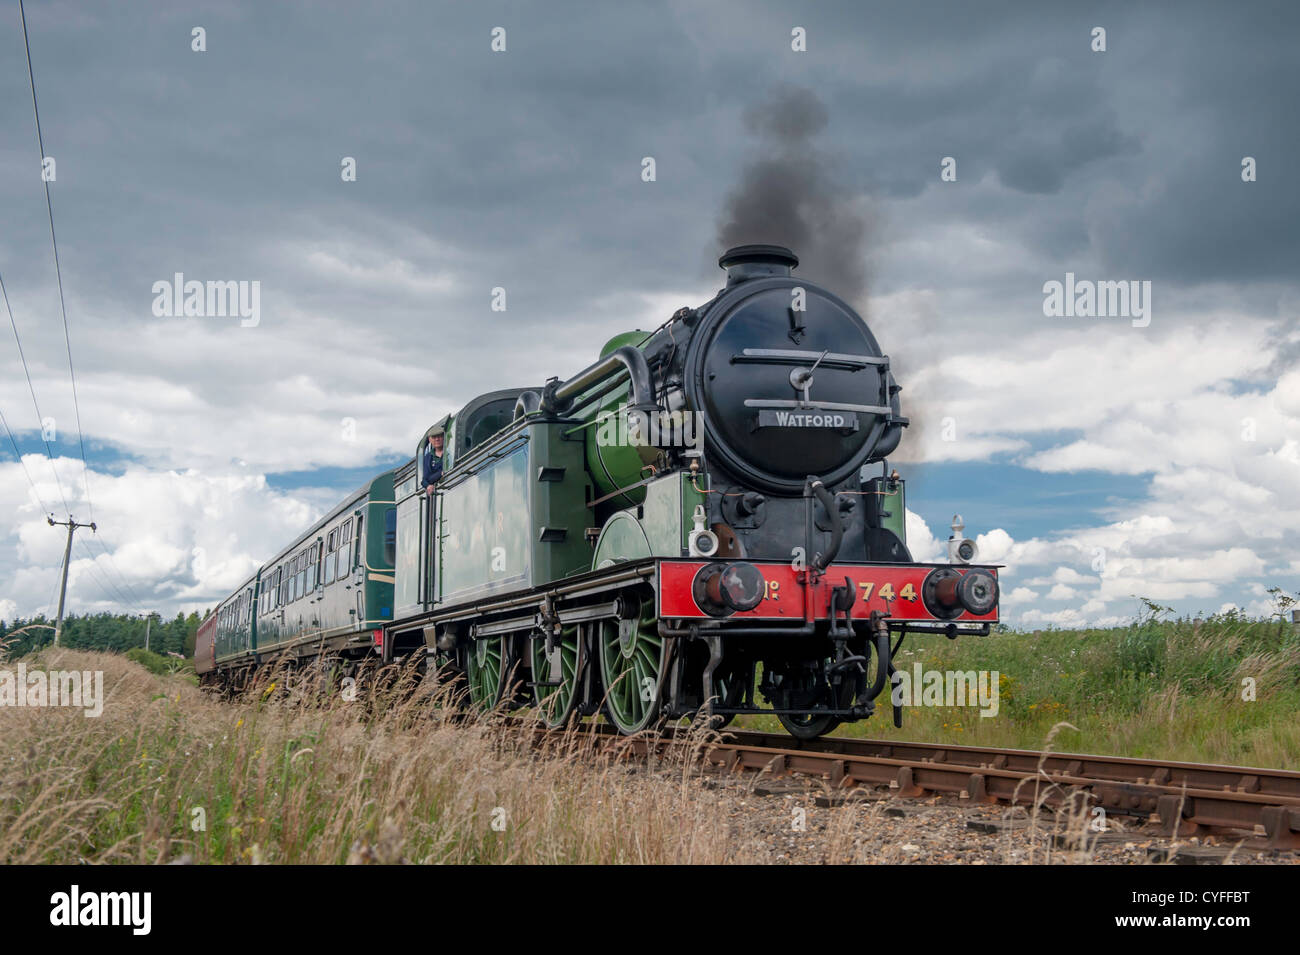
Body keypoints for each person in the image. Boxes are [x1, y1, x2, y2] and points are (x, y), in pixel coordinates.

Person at [422, 429, 445, 496]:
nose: (437, 439)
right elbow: (425, 480)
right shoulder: (428, 457)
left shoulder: (450, 451)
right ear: (430, 439)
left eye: (440, 436)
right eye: (434, 437)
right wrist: (440, 474)